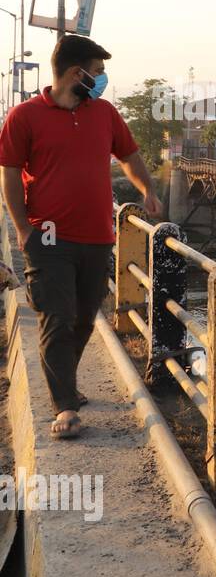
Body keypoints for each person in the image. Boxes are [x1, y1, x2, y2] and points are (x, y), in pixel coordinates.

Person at [0, 34, 162, 438]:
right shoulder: (24, 116)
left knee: (85, 318)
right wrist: (23, 230)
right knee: (57, 317)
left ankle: (66, 384)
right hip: (49, 238)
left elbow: (129, 156)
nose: (102, 79)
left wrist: (148, 189)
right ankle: (66, 408)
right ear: (77, 73)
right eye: (99, 72)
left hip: (97, 237)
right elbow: (8, 174)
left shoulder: (105, 113)